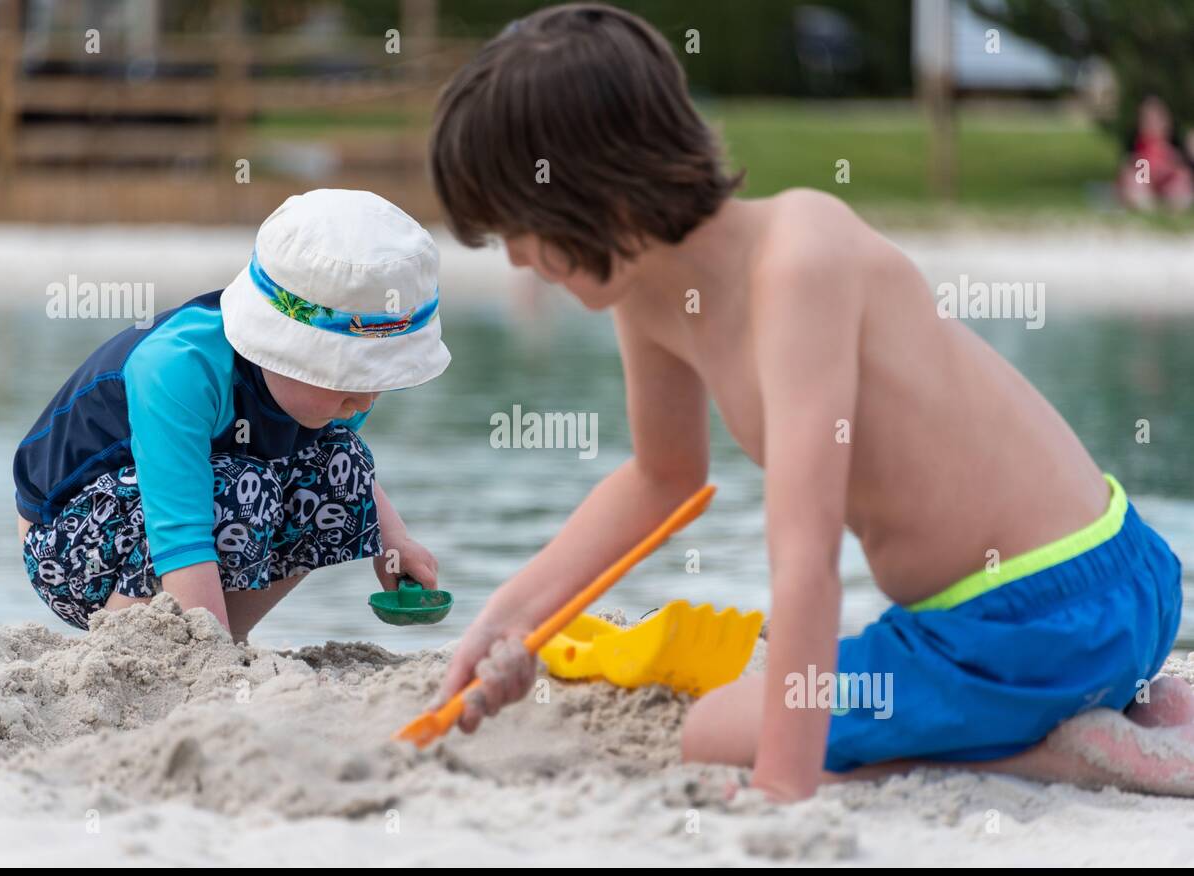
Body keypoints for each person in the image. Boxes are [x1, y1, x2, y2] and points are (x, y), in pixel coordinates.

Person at [428, 4, 1190, 801]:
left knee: (715, 731)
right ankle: (1105, 704)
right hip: (1100, 591)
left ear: (602, 189)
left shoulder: (798, 262)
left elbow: (806, 559)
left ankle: (1067, 753)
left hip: (1031, 618)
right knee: (775, 706)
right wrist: (508, 616)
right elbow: (663, 479)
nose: (514, 257)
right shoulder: (647, 297)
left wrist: (780, 790)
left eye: (519, 225)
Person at [14, 190, 447, 640]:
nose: (366, 400)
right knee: (245, 487)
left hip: (190, 503)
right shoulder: (179, 368)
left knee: (341, 467)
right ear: (284, 351)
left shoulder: (341, 396)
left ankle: (218, 640)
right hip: (66, 544)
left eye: (378, 378)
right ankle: (140, 645)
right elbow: (179, 527)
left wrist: (393, 543)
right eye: (348, 377)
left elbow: (342, 460)